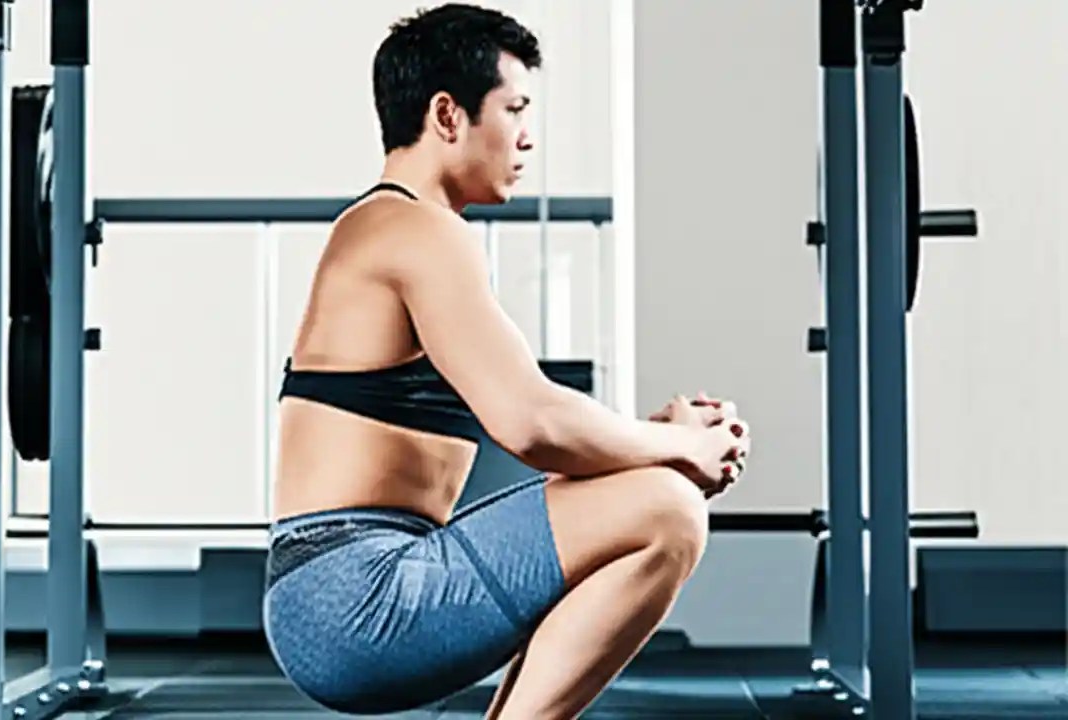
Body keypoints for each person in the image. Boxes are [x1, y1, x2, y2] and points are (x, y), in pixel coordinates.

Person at [261, 4, 752, 718]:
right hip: (353, 598)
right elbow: (531, 422)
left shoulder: (394, 226)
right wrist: (680, 448)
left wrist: (657, 447)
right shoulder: (412, 228)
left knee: (652, 492)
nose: (527, 137)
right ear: (448, 115)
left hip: (339, 594)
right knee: (669, 509)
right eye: (514, 109)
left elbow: (542, 421)